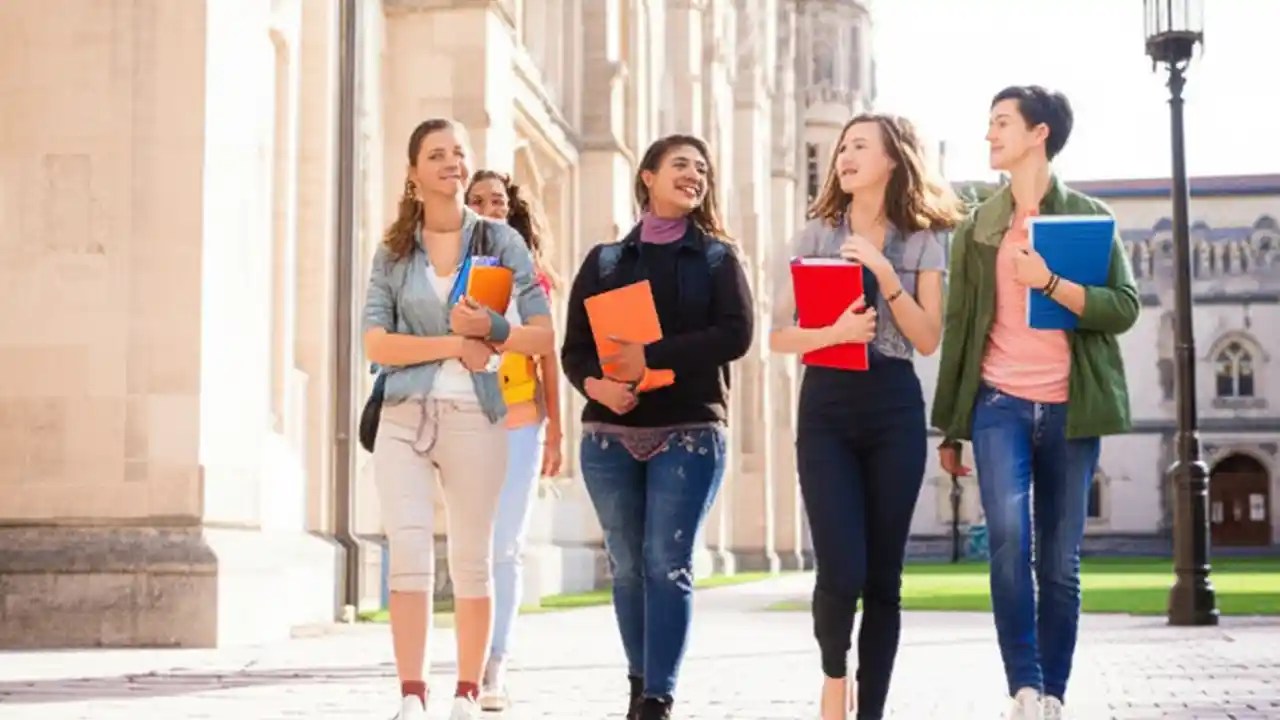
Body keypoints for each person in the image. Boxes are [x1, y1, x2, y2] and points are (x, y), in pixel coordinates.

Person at [931, 86, 1139, 720]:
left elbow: (1123, 308)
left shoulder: (1090, 217)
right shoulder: (976, 230)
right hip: (999, 405)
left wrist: (1049, 283)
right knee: (1007, 540)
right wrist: (949, 428)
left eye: (1001, 123)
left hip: (1071, 409)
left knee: (1059, 559)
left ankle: (1053, 693)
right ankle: (1022, 684)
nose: (989, 135)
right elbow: (963, 328)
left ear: (1039, 133)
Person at [769, 113, 963, 719]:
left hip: (893, 409)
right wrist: (835, 331)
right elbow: (778, 336)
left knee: (883, 578)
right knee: (842, 567)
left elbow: (928, 338)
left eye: (859, 146)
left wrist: (884, 275)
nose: (844, 156)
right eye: (841, 147)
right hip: (826, 406)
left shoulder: (925, 241)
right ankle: (834, 677)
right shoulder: (812, 237)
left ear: (892, 161)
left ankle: (871, 710)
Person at [361, 118, 554, 720]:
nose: (452, 161)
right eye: (437, 154)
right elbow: (376, 343)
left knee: (472, 557)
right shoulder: (394, 252)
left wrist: (493, 331)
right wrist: (451, 343)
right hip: (402, 415)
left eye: (459, 152)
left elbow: (543, 333)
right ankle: (411, 696)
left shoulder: (501, 242)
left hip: (477, 415)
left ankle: (468, 693)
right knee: (410, 550)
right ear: (415, 173)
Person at [560, 134, 754, 720]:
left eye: (701, 168)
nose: (693, 174)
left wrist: (654, 358)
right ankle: (639, 682)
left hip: (689, 431)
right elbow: (574, 350)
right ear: (647, 176)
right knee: (626, 565)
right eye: (680, 165)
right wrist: (597, 384)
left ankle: (658, 698)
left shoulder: (719, 258)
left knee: (666, 564)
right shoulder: (605, 261)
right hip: (609, 434)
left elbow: (735, 335)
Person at [463, 169, 564, 711]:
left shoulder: (533, 277)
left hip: (522, 416)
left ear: (510, 208)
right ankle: (469, 657)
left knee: (506, 544)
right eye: (477, 200)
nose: (488, 208)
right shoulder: (449, 268)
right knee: (472, 544)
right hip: (464, 416)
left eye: (496, 200)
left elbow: (548, 353)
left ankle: (495, 661)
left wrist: (557, 432)